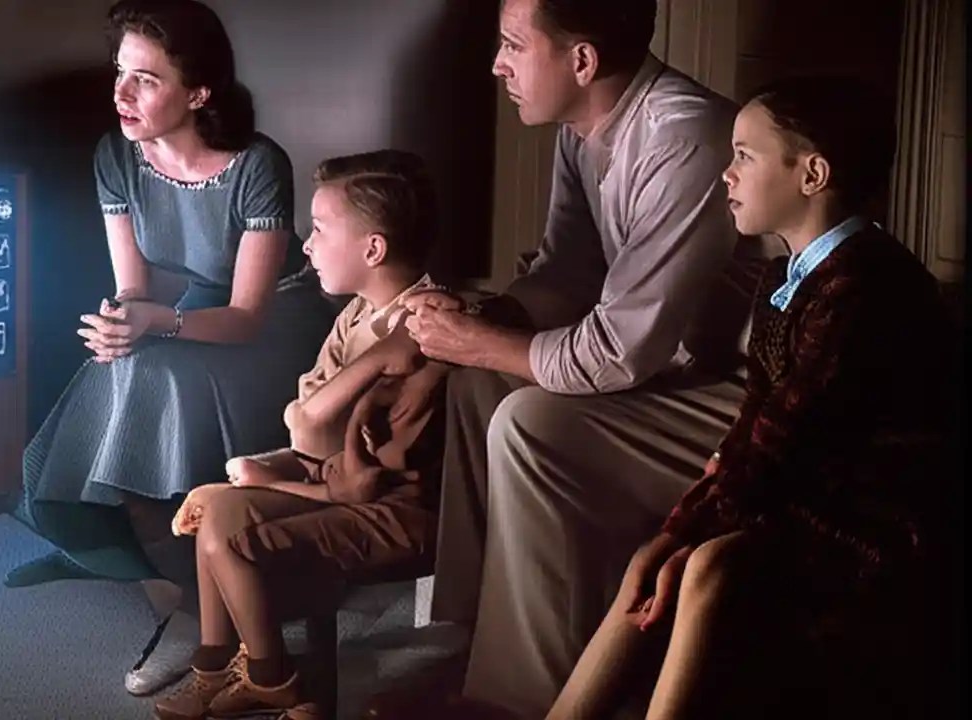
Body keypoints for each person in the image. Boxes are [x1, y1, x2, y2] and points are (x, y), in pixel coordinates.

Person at [369, 1, 774, 717]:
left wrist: (480, 341)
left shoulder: (683, 136)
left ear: (581, 61)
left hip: (734, 392)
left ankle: (518, 699)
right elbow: (565, 276)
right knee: (477, 389)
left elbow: (620, 349)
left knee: (531, 424)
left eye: (512, 46)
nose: (498, 65)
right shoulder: (583, 131)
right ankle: (467, 638)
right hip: (664, 368)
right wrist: (460, 333)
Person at [547, 75, 960, 720]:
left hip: (881, 516)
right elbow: (754, 422)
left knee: (709, 565)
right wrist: (673, 531)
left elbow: (789, 439)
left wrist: (695, 534)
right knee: (654, 558)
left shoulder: (866, 285)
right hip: (809, 491)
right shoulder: (781, 278)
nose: (726, 175)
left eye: (745, 155)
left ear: (812, 173)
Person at [7, 0, 334, 697]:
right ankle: (189, 596)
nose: (121, 94)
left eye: (146, 80)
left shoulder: (256, 163)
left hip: (281, 317)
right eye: (120, 73)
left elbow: (246, 314)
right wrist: (121, 322)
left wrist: (156, 324)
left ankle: (204, 617)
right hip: (189, 310)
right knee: (123, 369)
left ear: (199, 91)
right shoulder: (115, 156)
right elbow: (134, 286)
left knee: (162, 382)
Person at [150, 150, 453, 720]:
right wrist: (276, 462)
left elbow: (340, 461)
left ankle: (272, 675)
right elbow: (306, 422)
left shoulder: (426, 336)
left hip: (393, 510)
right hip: (337, 482)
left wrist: (281, 469)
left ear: (373, 249)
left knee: (228, 523)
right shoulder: (360, 315)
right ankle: (219, 665)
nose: (306, 245)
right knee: (218, 509)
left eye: (319, 229)